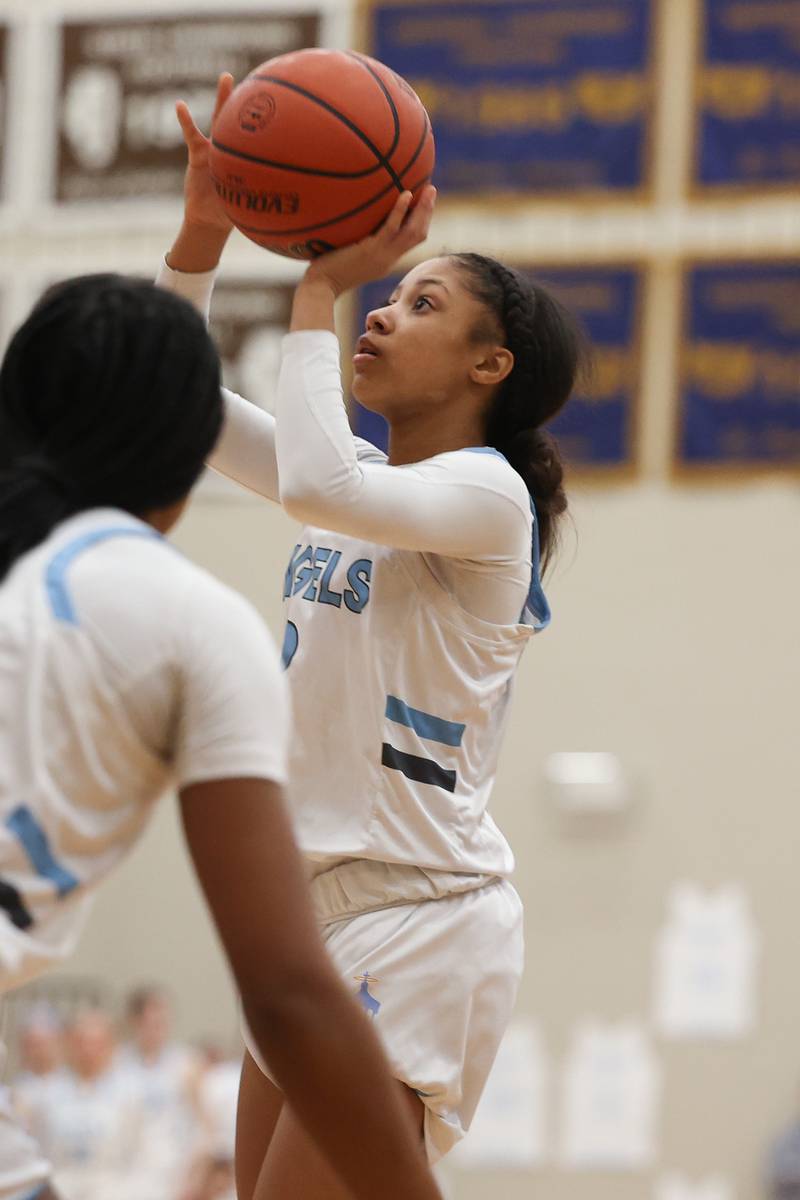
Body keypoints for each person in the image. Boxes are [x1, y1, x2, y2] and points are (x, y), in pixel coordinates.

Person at [160, 74, 585, 1200]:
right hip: (308, 920)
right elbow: (176, 406)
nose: (383, 312)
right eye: (383, 296)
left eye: (421, 305)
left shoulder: (487, 500)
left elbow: (313, 478)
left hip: (421, 919)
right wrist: (201, 238)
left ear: (488, 367)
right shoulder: (362, 488)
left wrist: (318, 291)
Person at [0, 274, 442, 1200]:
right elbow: (284, 993)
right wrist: (317, 281)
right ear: (190, 448)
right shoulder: (186, 623)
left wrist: (209, 243)